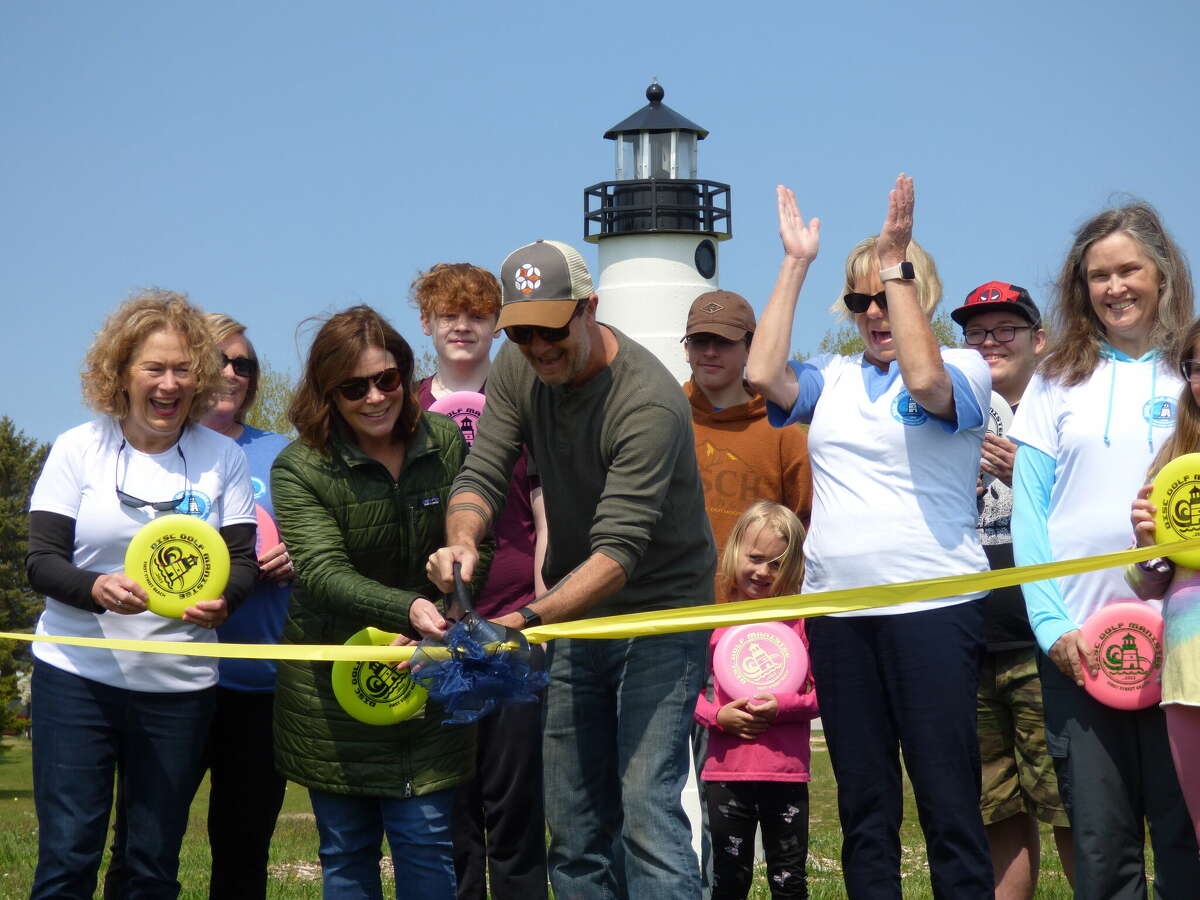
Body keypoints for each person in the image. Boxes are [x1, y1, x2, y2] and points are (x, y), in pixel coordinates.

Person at [426, 239, 716, 900]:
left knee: (645, 811)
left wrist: (520, 620)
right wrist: (463, 540)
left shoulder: (648, 402)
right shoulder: (517, 368)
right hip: (577, 614)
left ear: (591, 307)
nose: (538, 347)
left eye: (550, 330)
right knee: (576, 826)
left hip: (660, 612)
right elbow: (482, 472)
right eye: (522, 332)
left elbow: (617, 556)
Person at [746, 176, 994, 898]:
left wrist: (895, 258)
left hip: (935, 608)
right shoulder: (833, 376)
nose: (877, 311)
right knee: (865, 808)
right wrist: (795, 262)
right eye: (862, 301)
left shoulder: (966, 367)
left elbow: (924, 380)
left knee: (948, 803)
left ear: (922, 291)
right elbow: (762, 372)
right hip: (842, 614)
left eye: (891, 293)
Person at [24, 289, 258, 898]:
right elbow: (41, 562)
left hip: (178, 689)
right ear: (121, 372)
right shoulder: (79, 447)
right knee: (68, 857)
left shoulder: (224, 458)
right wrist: (96, 587)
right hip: (76, 677)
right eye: (153, 368)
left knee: (151, 866)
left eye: (183, 369)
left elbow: (240, 562)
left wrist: (226, 602)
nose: (169, 384)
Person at [1009, 202, 1200, 897]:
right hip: (1083, 655)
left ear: (1163, 273)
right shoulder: (1055, 377)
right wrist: (1052, 626)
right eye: (1098, 276)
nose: (1114, 287)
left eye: (1128, 270)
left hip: (1185, 644)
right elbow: (1028, 515)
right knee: (1101, 847)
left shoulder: (1193, 373)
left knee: (1187, 840)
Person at [270, 305, 482, 899]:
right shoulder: (300, 466)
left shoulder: (443, 441)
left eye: (387, 378)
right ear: (326, 392)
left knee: (428, 844)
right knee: (345, 853)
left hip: (428, 676)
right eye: (353, 386)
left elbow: (473, 541)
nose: (374, 397)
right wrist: (408, 610)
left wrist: (459, 571)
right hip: (330, 699)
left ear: (405, 373)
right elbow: (320, 572)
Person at [411, 262, 549, 900]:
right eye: (449, 314)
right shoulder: (401, 404)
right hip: (433, 628)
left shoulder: (529, 401)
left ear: (498, 325)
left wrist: (545, 610)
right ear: (427, 323)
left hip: (515, 620)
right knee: (450, 811)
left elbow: (545, 510)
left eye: (478, 315)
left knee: (517, 805)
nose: (463, 326)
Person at [681, 288, 812, 896]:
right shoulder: (664, 415)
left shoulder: (785, 428)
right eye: (697, 340)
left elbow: (803, 524)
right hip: (677, 624)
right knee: (668, 790)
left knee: (744, 792)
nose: (707, 352)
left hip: (761, 640)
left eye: (722, 341)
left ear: (749, 347)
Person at [951, 283, 1073, 897]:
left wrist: (1025, 473)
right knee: (997, 807)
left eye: (1007, 329)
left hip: (1045, 640)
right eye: (978, 332)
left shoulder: (1062, 407)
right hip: (971, 634)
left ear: (1038, 339)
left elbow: (1089, 516)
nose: (991, 342)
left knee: (1069, 805)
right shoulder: (951, 405)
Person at [693, 501, 817, 900]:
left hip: (787, 773)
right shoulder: (714, 617)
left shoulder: (801, 619)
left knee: (788, 880)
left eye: (778, 564)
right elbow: (684, 690)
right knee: (728, 880)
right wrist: (717, 716)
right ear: (734, 552)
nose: (764, 572)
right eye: (756, 558)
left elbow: (823, 693)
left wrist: (784, 707)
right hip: (727, 774)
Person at [1129, 316, 1200, 846]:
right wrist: (1149, 546)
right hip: (1188, 675)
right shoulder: (1174, 462)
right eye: (1196, 366)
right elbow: (1146, 581)